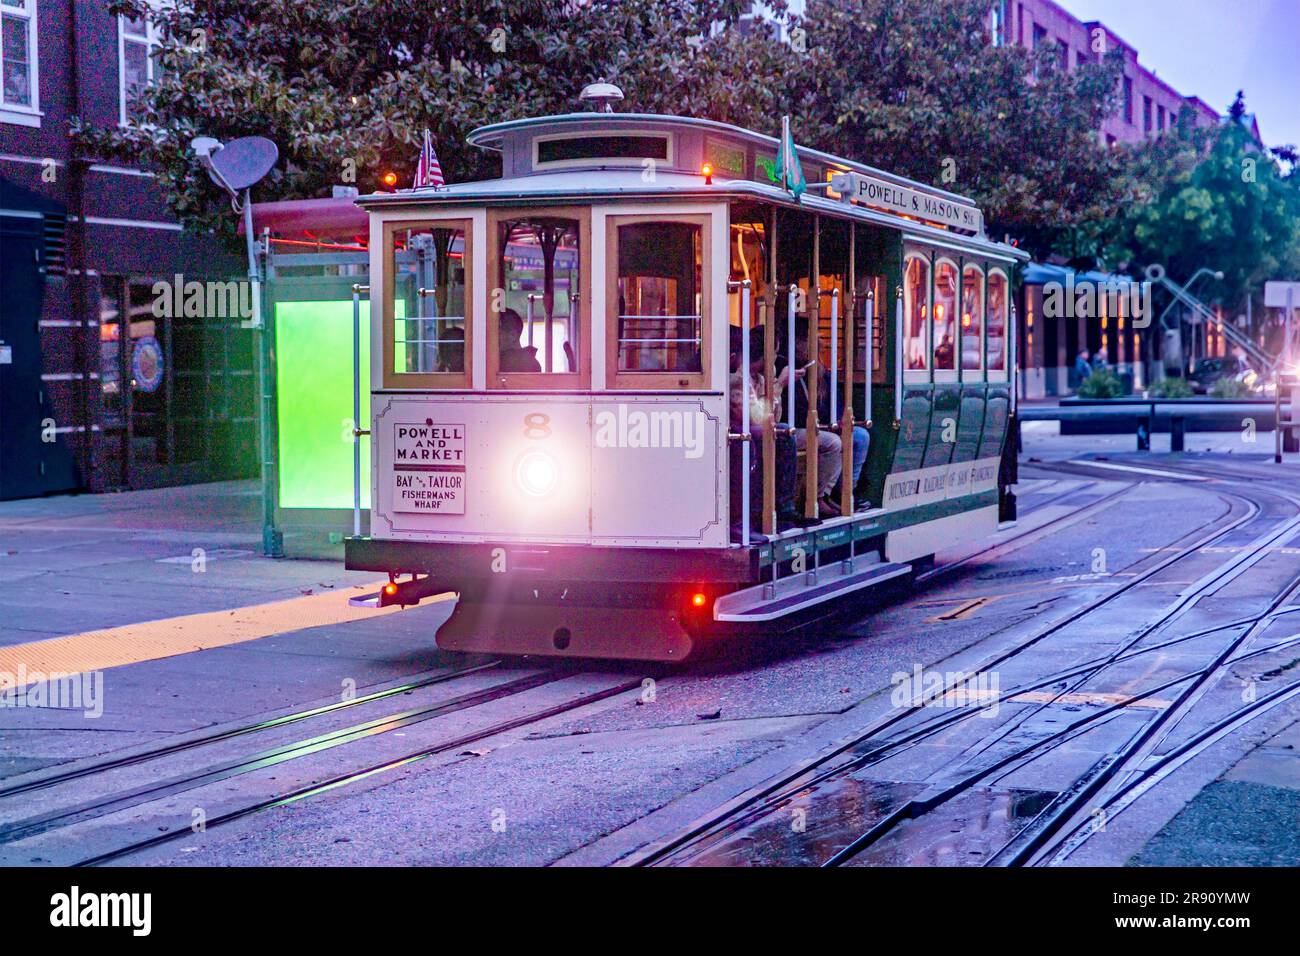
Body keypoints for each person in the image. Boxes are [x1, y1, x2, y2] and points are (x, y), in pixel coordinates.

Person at [729, 325, 811, 534]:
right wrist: (780, 385)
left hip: (756, 433)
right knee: (781, 435)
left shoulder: (760, 380)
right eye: (774, 353)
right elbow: (757, 418)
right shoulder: (738, 379)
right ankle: (777, 507)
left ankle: (784, 506)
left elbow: (774, 416)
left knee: (782, 432)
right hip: (738, 436)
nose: (776, 358)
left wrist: (775, 386)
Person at [785, 332, 843, 519]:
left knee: (852, 437)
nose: (816, 359)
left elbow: (829, 408)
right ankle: (816, 498)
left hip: (815, 427)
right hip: (793, 428)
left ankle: (829, 494)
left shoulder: (822, 378)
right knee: (833, 443)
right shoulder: (790, 374)